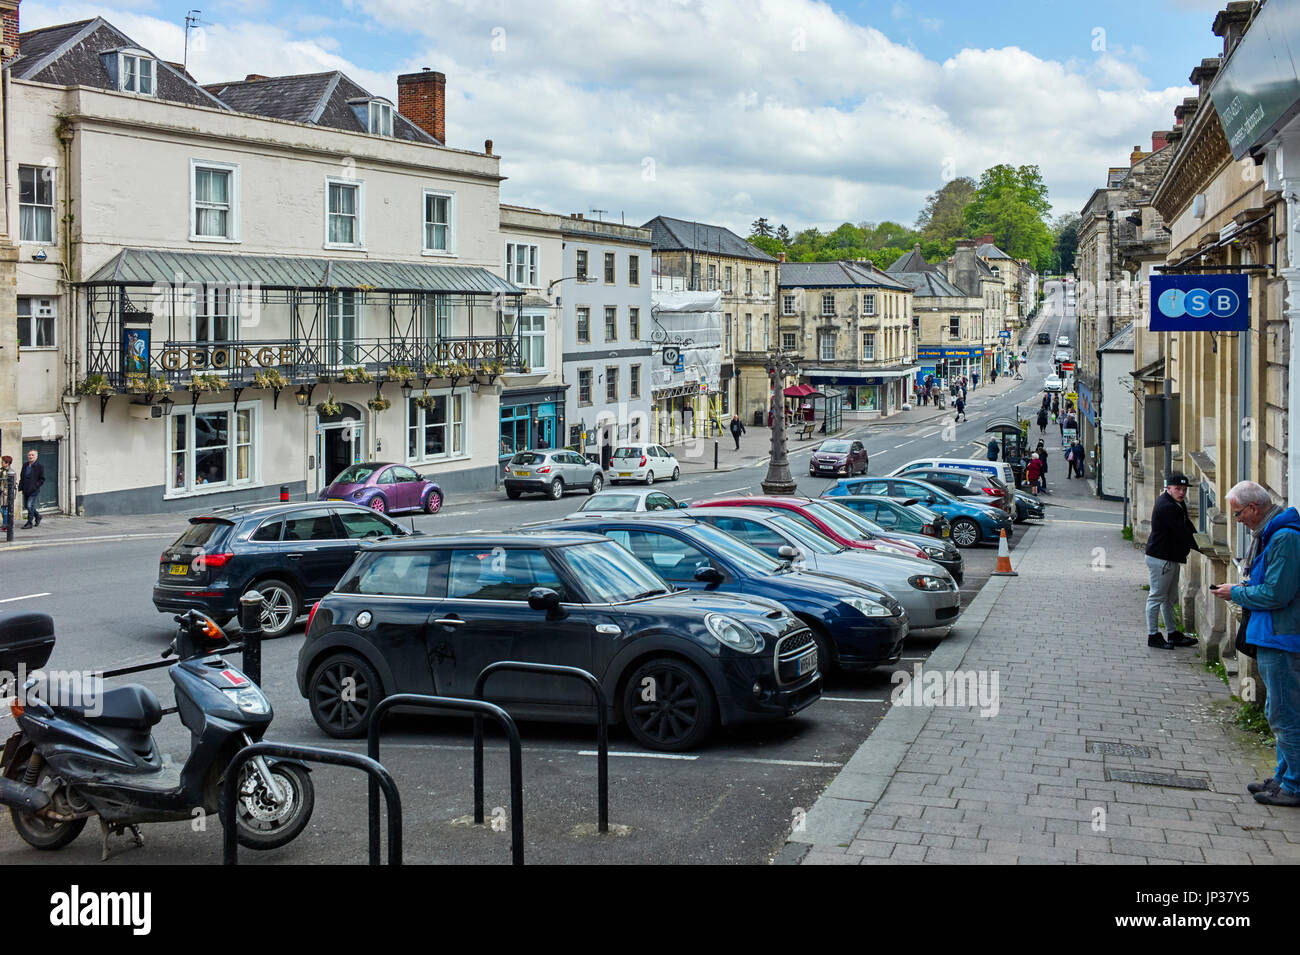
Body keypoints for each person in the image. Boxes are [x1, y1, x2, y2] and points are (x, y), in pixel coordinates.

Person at [1211, 481, 1300, 806]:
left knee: (1284, 713)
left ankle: (1294, 784)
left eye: (1237, 514)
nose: (1236, 520)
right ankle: (1283, 777)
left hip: (1283, 637)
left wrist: (1235, 592)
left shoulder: (1285, 538)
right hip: (1272, 635)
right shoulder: (1272, 534)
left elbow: (1278, 593)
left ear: (1254, 508)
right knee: (1276, 709)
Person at [1144, 473, 1201, 649]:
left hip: (1169, 557)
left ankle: (1173, 633)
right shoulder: (1167, 507)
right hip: (1162, 559)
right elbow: (1182, 533)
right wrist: (1201, 547)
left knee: (1169, 598)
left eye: (1184, 489)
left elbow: (1187, 525)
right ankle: (1153, 635)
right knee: (1156, 597)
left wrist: (1198, 538)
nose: (1182, 493)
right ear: (1168, 488)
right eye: (1178, 489)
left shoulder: (1175, 502)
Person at [19, 449, 44, 529]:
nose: (30, 456)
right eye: (29, 455)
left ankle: (29, 523)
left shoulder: (39, 466)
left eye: (32, 455)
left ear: (36, 456)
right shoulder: (25, 465)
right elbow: (22, 476)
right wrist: (21, 486)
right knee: (27, 506)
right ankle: (38, 516)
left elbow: (42, 479)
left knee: (30, 506)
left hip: (33, 490)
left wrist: (35, 486)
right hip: (25, 489)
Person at [0, 455, 11, 532]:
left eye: (3, 462)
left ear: (7, 463)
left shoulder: (10, 472)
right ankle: (5, 524)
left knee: (5, 510)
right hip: (1, 493)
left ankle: (6, 525)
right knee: (2, 509)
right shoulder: (1, 470)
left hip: (5, 494)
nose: (1, 463)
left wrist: (5, 490)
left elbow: (12, 483)